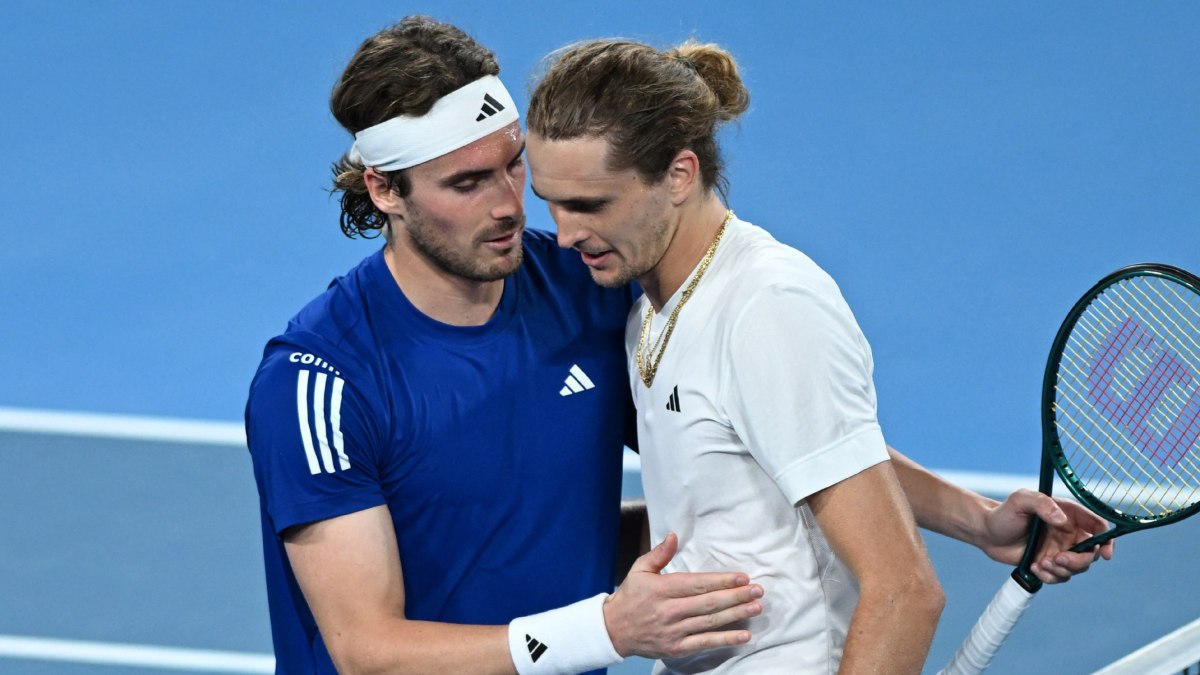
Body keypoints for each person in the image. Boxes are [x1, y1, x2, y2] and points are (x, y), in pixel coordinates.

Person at [524, 38, 1115, 673]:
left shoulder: (767, 308)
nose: (564, 233)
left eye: (590, 205)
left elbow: (906, 592)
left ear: (679, 175)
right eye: (550, 202)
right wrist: (978, 519)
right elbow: (806, 444)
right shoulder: (651, 305)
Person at [244, 17, 766, 675]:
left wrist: (878, 503)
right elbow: (369, 651)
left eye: (512, 164)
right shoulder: (320, 380)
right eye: (466, 183)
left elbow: (752, 432)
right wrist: (606, 628)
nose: (509, 206)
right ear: (384, 190)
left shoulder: (587, 290)